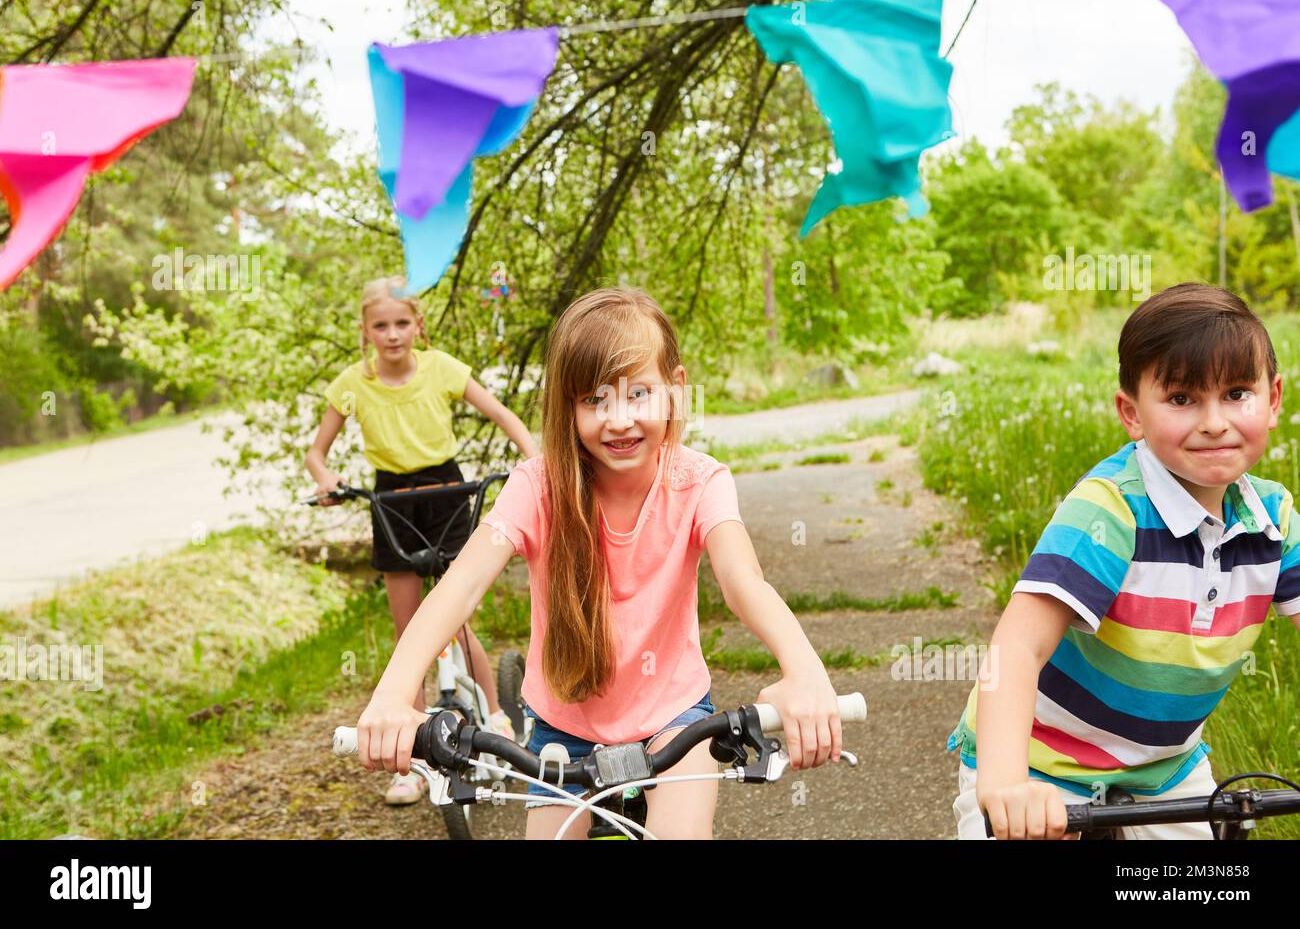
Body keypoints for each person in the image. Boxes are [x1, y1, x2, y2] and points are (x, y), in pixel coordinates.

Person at [354, 286, 844, 839]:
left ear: (675, 391)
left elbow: (743, 581)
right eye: (593, 400)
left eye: (638, 393)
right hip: (562, 729)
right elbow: (461, 585)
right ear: (568, 404)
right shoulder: (537, 487)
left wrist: (803, 671)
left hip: (674, 717)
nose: (618, 419)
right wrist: (393, 695)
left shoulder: (699, 481)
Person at [950, 282, 1300, 840]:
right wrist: (1006, 782)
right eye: (1182, 399)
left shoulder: (1274, 518)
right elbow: (1017, 648)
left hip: (1164, 770)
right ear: (1131, 413)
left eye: (1236, 393)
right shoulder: (1109, 510)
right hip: (1042, 762)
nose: (1214, 421)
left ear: (1274, 399)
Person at [306, 275, 539, 805]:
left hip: (448, 490)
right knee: (408, 627)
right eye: (381, 326)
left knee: (454, 617)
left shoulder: (442, 368)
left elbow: (505, 416)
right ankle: (406, 761)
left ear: (418, 326)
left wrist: (530, 455)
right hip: (391, 498)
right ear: (365, 331)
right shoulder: (351, 382)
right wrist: (325, 480)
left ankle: (500, 722)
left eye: (402, 323)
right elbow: (316, 452)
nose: (392, 334)